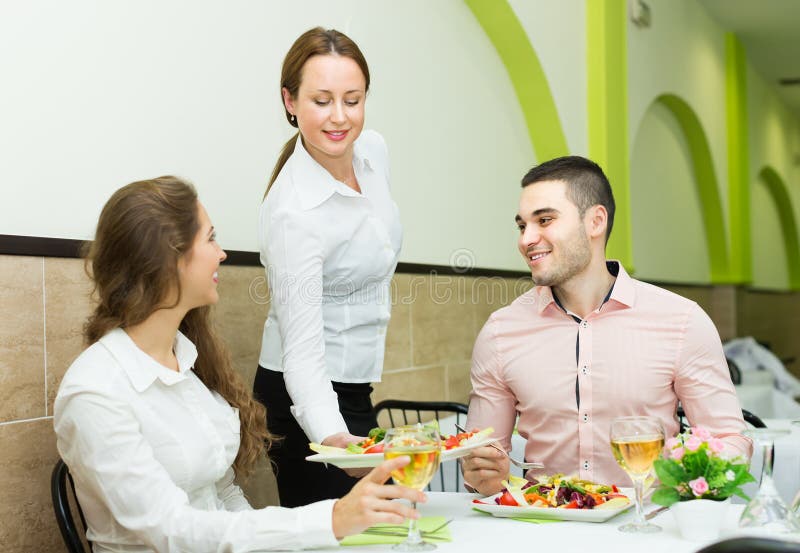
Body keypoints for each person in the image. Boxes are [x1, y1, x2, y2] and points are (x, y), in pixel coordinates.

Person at [54, 177, 422, 552]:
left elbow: (225, 495)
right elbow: (168, 529)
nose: (221, 253)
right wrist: (329, 520)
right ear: (167, 260)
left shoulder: (188, 363)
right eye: (210, 238)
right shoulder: (94, 391)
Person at [462, 156, 752, 495]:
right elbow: (479, 466)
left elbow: (728, 440)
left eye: (544, 220)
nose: (527, 239)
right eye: (522, 225)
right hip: (544, 528)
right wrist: (483, 474)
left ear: (596, 221)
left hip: (650, 529)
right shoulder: (500, 332)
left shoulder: (682, 321)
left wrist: (693, 485)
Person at [252, 27, 402, 507]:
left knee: (390, 523)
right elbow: (302, 354)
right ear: (290, 101)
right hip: (306, 397)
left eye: (352, 100)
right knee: (357, 530)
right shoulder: (293, 213)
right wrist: (333, 439)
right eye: (321, 101)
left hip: (354, 385)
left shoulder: (373, 152)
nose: (340, 118)